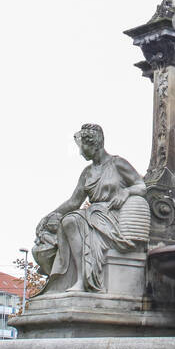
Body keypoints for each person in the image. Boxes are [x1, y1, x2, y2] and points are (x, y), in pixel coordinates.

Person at [34, 124, 147, 293]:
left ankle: (82, 281)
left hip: (113, 215)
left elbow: (141, 186)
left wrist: (126, 191)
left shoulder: (118, 164)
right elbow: (74, 202)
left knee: (73, 220)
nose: (80, 152)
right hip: (93, 215)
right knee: (70, 219)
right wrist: (49, 216)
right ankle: (79, 279)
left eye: (83, 147)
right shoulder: (87, 172)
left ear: (95, 144)